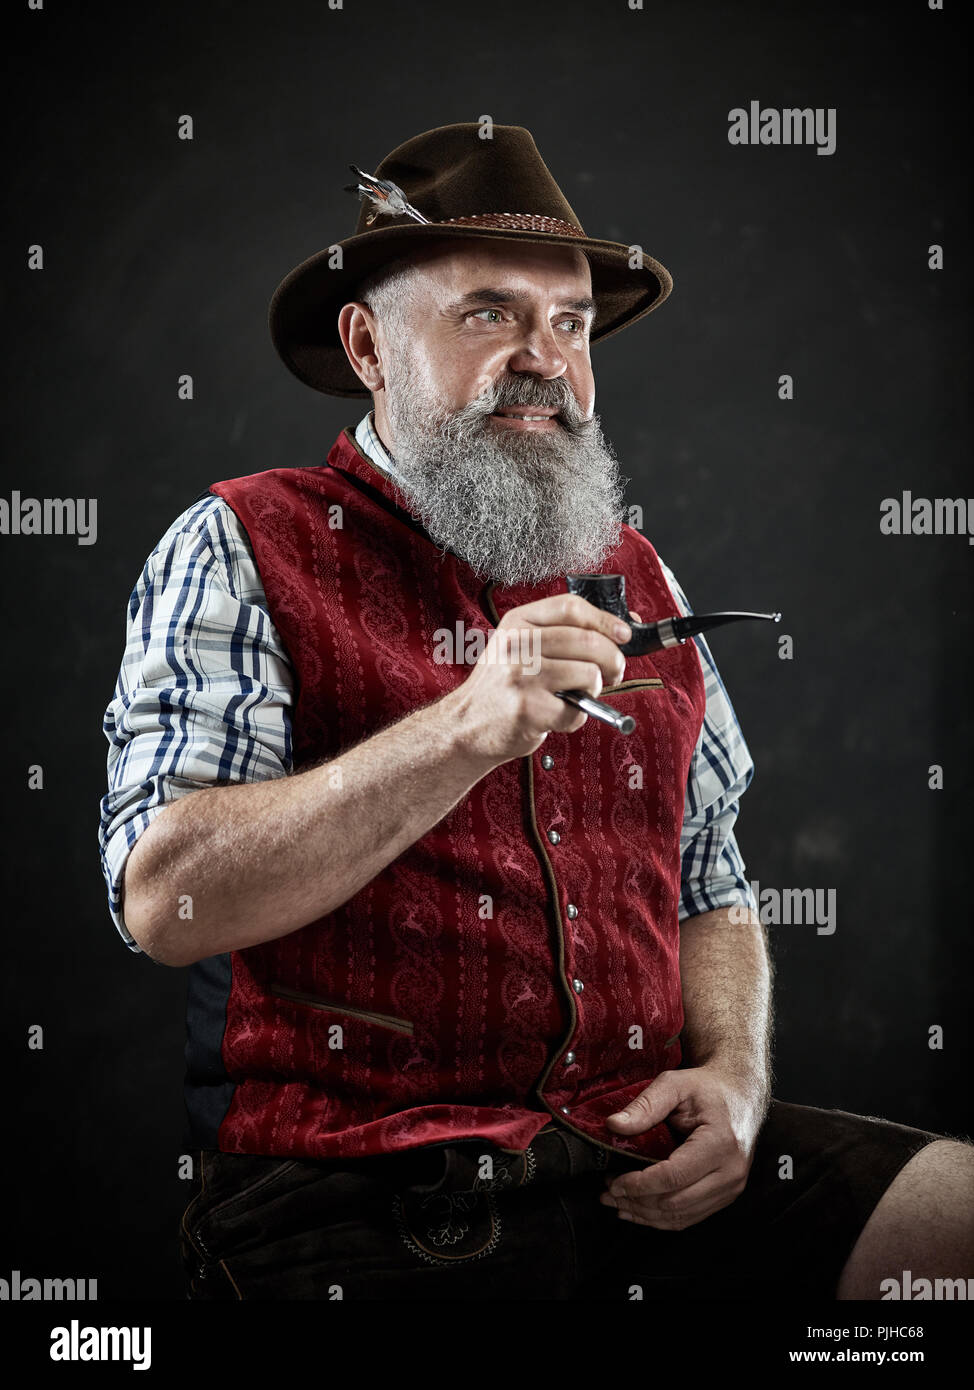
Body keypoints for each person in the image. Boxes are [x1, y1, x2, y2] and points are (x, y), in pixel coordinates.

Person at [98, 123, 973, 1301]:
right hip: (358, 1195)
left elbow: (710, 885)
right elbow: (164, 898)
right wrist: (462, 727)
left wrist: (733, 1076)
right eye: (487, 314)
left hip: (641, 1161)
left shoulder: (636, 569)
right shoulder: (242, 545)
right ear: (367, 344)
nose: (543, 358)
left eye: (568, 323)